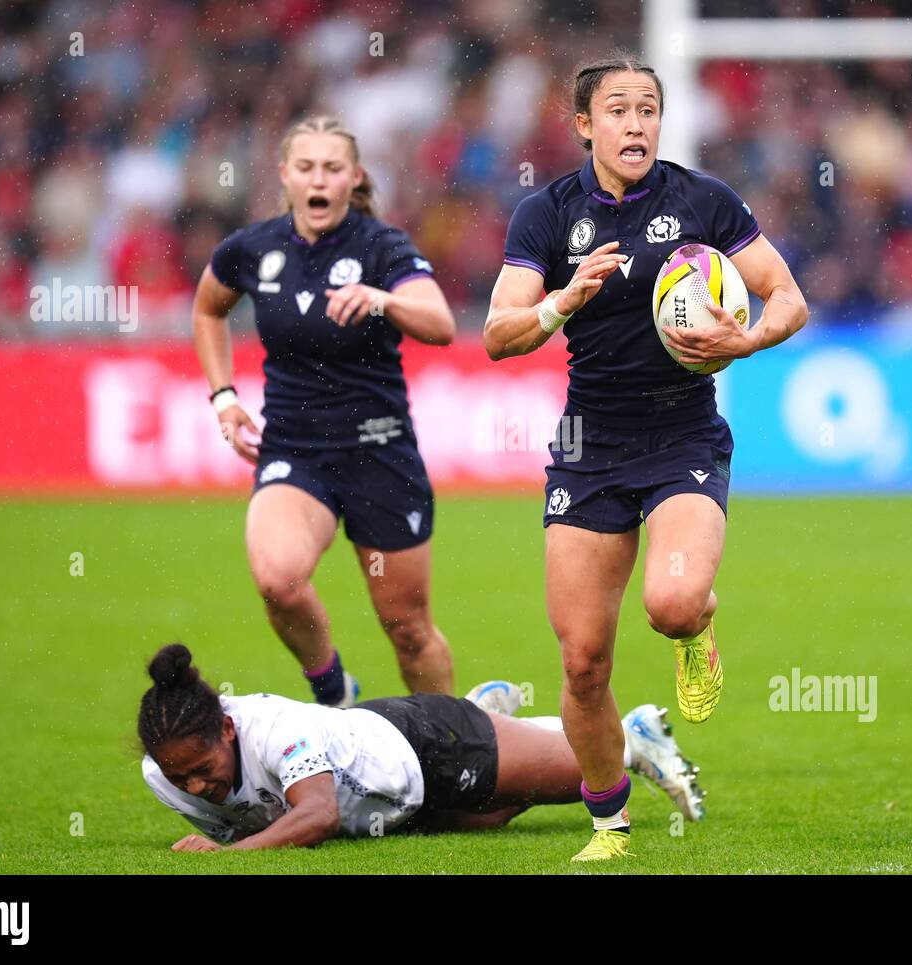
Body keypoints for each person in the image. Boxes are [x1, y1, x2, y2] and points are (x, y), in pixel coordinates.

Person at [483, 52, 808, 861]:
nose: (637, 124)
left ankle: (696, 629)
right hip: (588, 445)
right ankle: (610, 822)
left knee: (670, 602)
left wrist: (747, 338)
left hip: (682, 436)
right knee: (583, 659)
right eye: (619, 110)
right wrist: (563, 299)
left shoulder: (702, 200)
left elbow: (789, 297)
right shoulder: (546, 215)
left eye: (649, 109)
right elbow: (496, 334)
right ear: (585, 125)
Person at [192, 116, 457, 706]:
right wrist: (224, 396)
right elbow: (208, 309)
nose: (319, 180)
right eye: (306, 167)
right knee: (278, 581)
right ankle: (335, 692)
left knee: (409, 631)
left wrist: (384, 299)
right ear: (285, 175)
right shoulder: (253, 248)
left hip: (380, 454)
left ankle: (451, 751)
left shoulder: (382, 247)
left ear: (353, 177)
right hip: (295, 450)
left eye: (333, 168)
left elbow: (440, 324)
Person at [138, 644, 703, 857]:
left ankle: (632, 740)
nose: (192, 785)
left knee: (579, 776)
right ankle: (492, 717)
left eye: (201, 770)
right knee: (492, 820)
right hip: (392, 800)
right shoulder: (164, 773)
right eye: (177, 775)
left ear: (229, 732)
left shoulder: (275, 728)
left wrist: (229, 862)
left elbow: (317, 814)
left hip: (425, 745)